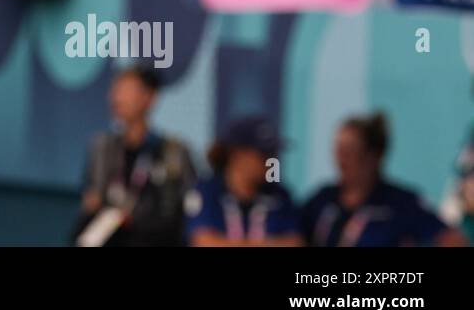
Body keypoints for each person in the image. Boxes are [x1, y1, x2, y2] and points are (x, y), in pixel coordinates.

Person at [301, 112, 465, 247]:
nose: (341, 160)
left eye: (350, 151)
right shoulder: (323, 199)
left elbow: (453, 239)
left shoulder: (400, 203)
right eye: (338, 149)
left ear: (373, 156)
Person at [75, 66, 196, 247]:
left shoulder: (174, 153)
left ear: (149, 98)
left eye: (126, 91)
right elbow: (91, 202)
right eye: (115, 90)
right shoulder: (102, 149)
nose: (116, 98)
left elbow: (184, 209)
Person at [184, 116, 302, 247]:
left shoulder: (280, 196)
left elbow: (294, 242)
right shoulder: (207, 191)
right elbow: (204, 242)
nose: (272, 161)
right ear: (237, 154)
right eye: (264, 155)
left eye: (274, 154)